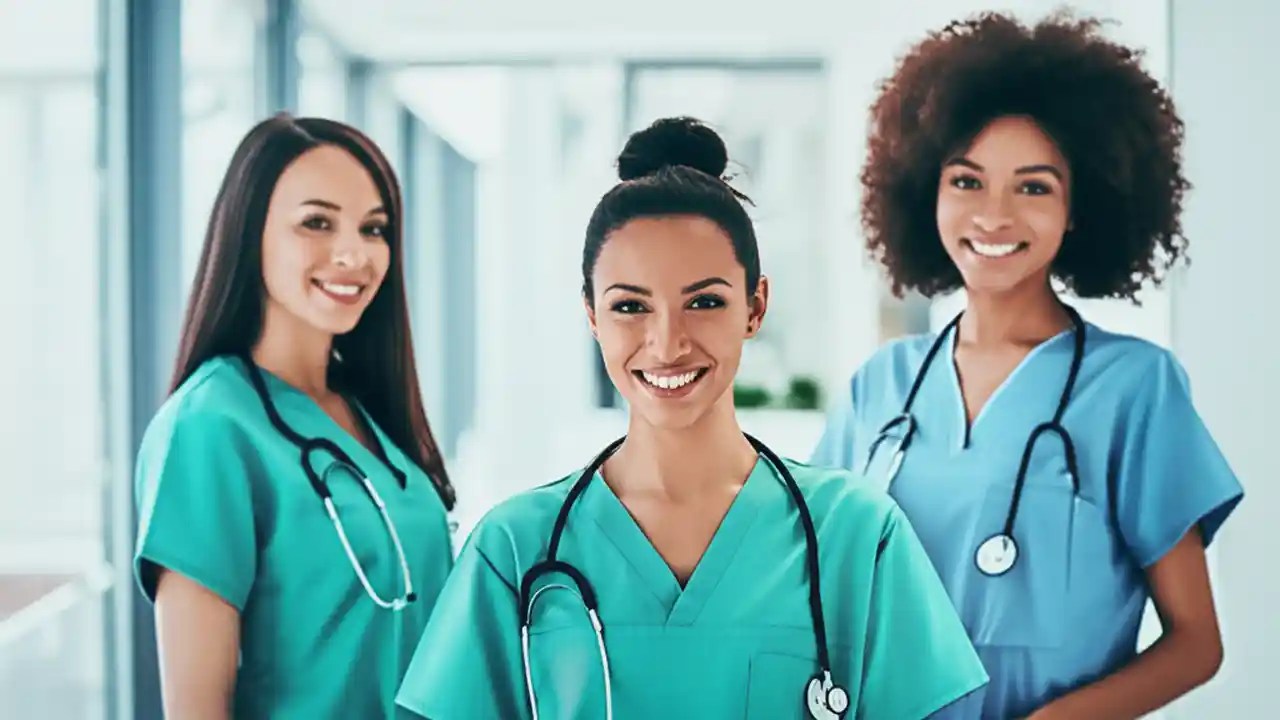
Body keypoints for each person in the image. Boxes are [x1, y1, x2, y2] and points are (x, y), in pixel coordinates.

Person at [394, 117, 987, 720]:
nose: (667, 343)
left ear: (755, 306)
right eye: (630, 306)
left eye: (704, 302)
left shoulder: (857, 536)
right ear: (592, 316)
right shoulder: (515, 548)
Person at [811, 12, 1244, 720]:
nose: (995, 215)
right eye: (967, 181)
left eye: (1034, 186)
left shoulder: (1133, 388)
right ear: (929, 193)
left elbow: (1197, 643)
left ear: (1080, 207)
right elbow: (816, 592)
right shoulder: (879, 388)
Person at [133, 114, 456, 719]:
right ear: (248, 233)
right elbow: (197, 709)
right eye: (317, 223)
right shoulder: (209, 428)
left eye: (374, 228)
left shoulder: (367, 414)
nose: (353, 254)